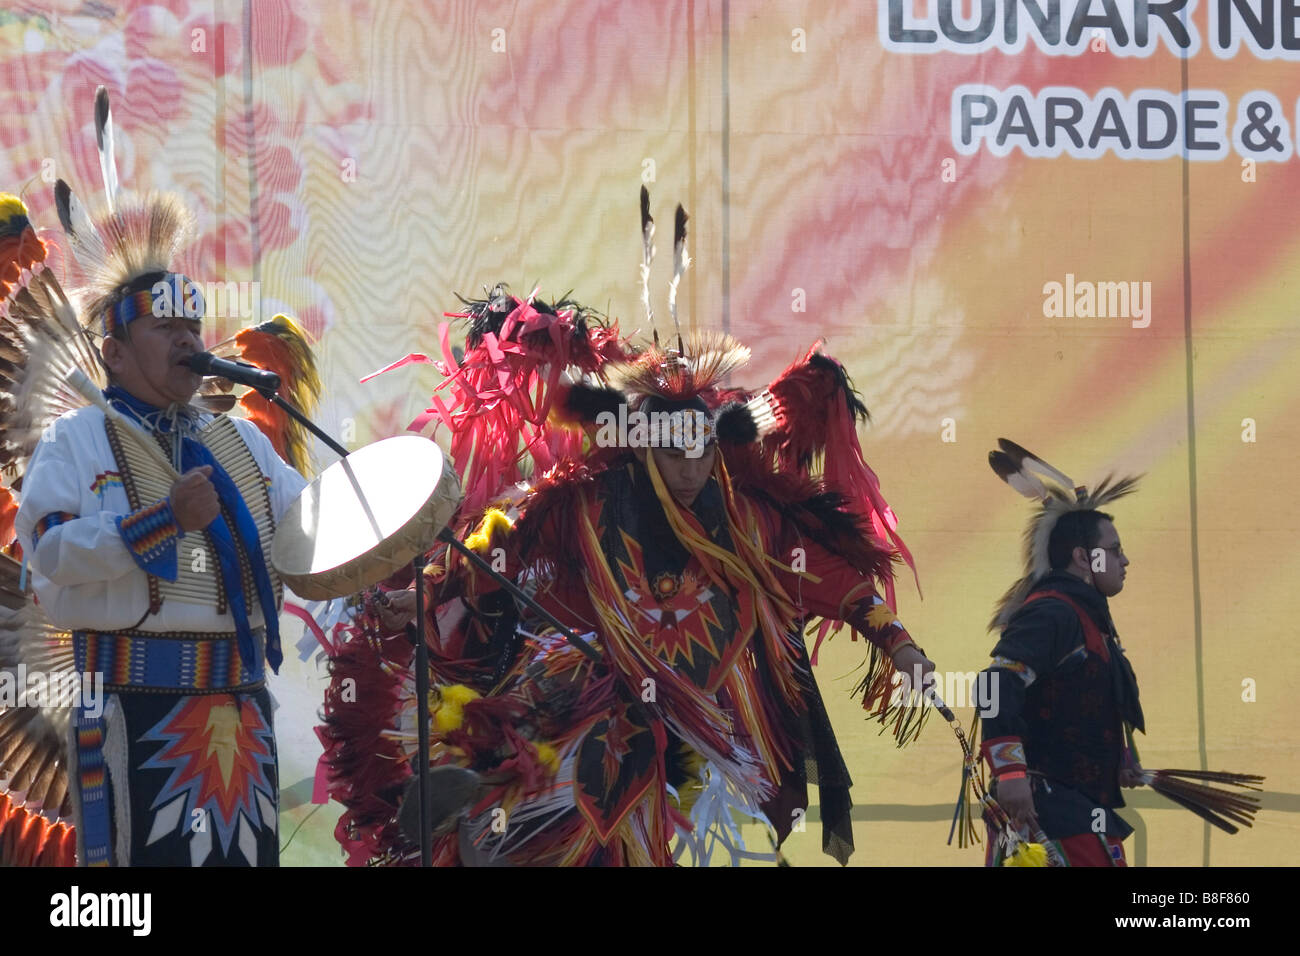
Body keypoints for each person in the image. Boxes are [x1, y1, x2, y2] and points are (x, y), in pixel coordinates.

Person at [349, 303, 936, 866]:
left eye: (701, 453)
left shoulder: (750, 521)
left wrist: (900, 645)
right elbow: (501, 541)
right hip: (584, 677)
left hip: (682, 721)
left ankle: (489, 808)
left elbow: (840, 582)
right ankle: (476, 798)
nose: (690, 469)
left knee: (619, 809)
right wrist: (422, 594)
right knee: (554, 753)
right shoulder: (591, 502)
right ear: (646, 447)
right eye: (674, 454)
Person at [13, 192, 308, 866]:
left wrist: (384, 566)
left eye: (193, 326)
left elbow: (309, 532)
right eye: (164, 326)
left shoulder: (243, 444)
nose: (186, 339)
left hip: (240, 717)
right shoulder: (78, 439)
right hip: (133, 713)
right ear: (114, 354)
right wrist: (161, 523)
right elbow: (52, 553)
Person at [976, 443, 1144, 867]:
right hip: (1047, 810)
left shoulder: (1087, 619)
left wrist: (1117, 763)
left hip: (1076, 809)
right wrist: (1009, 772)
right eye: (1115, 549)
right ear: (1083, 557)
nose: (1125, 560)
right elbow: (996, 682)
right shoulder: (1053, 612)